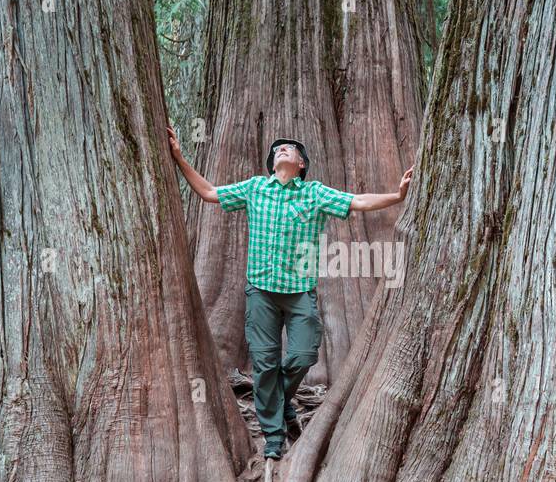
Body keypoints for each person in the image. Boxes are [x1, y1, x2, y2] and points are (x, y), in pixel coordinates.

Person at [168, 126, 412, 459]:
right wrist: (180, 157)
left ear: (300, 164)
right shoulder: (255, 188)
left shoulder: (314, 193)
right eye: (278, 148)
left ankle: (281, 403)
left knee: (303, 354)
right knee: (265, 365)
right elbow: (209, 193)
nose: (283, 149)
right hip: (261, 292)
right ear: (272, 163)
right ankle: (273, 436)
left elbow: (358, 201)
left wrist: (397, 196)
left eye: (290, 148)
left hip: (299, 293)